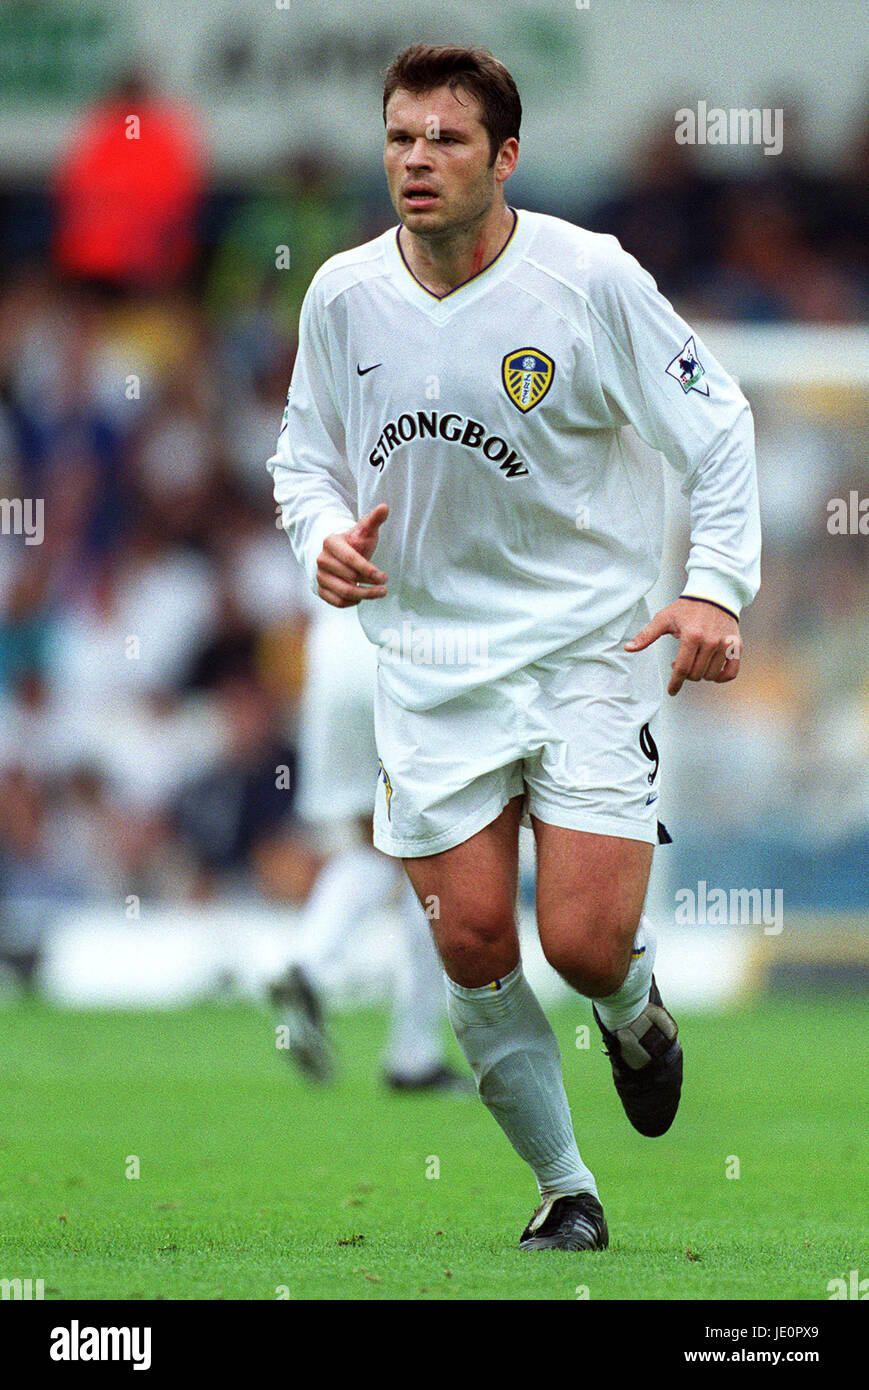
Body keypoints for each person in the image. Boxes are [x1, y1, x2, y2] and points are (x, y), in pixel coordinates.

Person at [267, 44, 760, 1252]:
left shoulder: (586, 278)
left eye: (443, 139)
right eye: (399, 138)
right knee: (472, 944)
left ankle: (634, 1012)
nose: (416, 160)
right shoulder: (340, 295)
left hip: (586, 650)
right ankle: (563, 1187)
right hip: (427, 668)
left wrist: (714, 590)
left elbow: (718, 423)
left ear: (505, 157)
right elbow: (302, 456)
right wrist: (322, 536)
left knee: (581, 948)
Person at [268, 600, 470, 1092]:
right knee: (434, 852)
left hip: (330, 660)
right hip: (403, 653)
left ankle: (308, 963)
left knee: (371, 842)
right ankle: (413, 1053)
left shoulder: (315, 517)